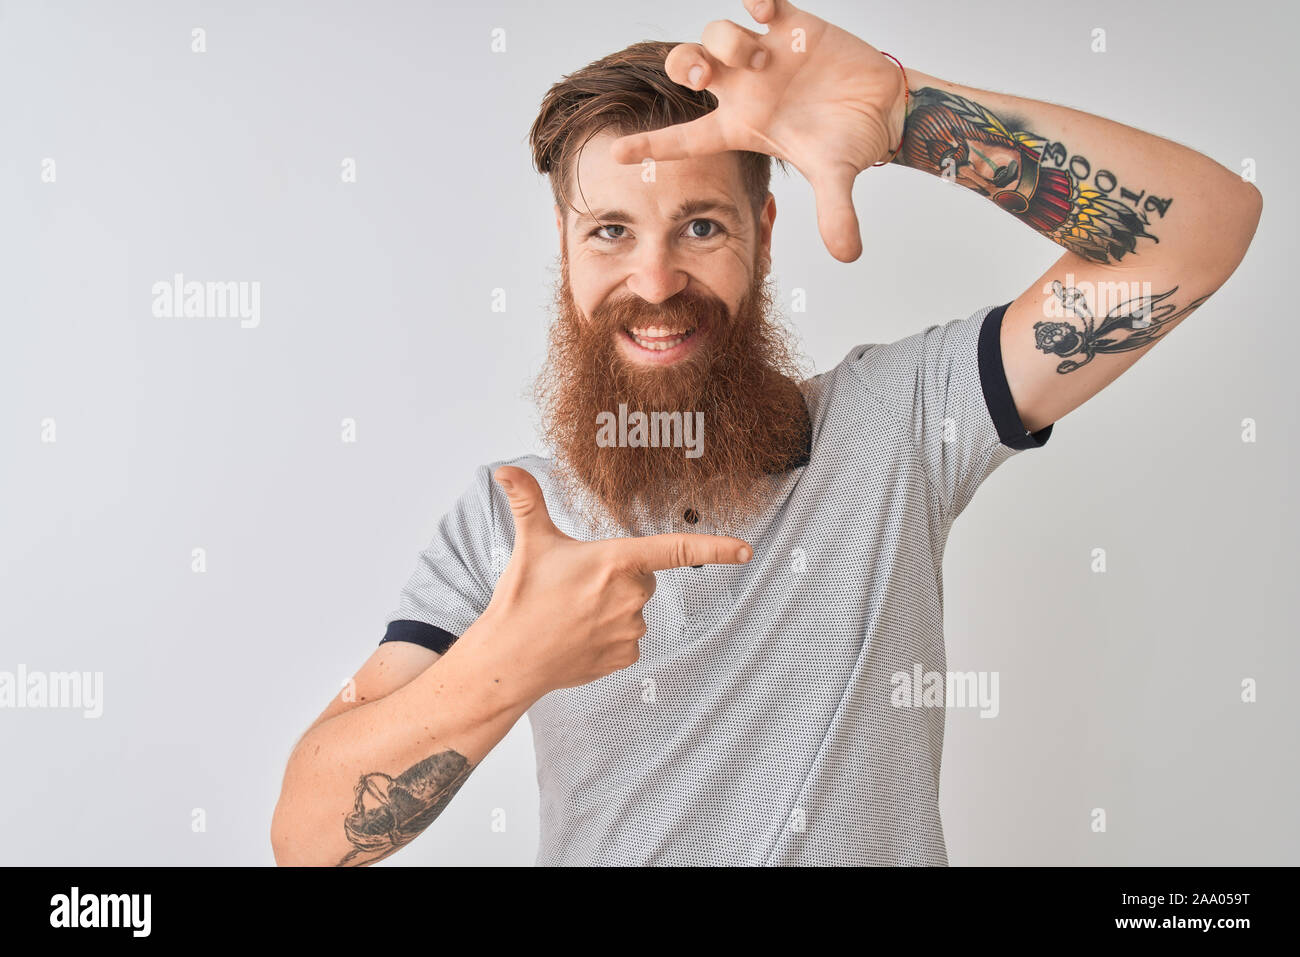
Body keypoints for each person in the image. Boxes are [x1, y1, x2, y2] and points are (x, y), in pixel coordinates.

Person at [271, 0, 1261, 866]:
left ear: (764, 232)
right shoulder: (507, 523)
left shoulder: (902, 420)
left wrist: (909, 120)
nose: (654, 283)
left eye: (700, 226)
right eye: (609, 232)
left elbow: (1202, 231)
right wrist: (511, 660)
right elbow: (305, 841)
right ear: (565, 256)